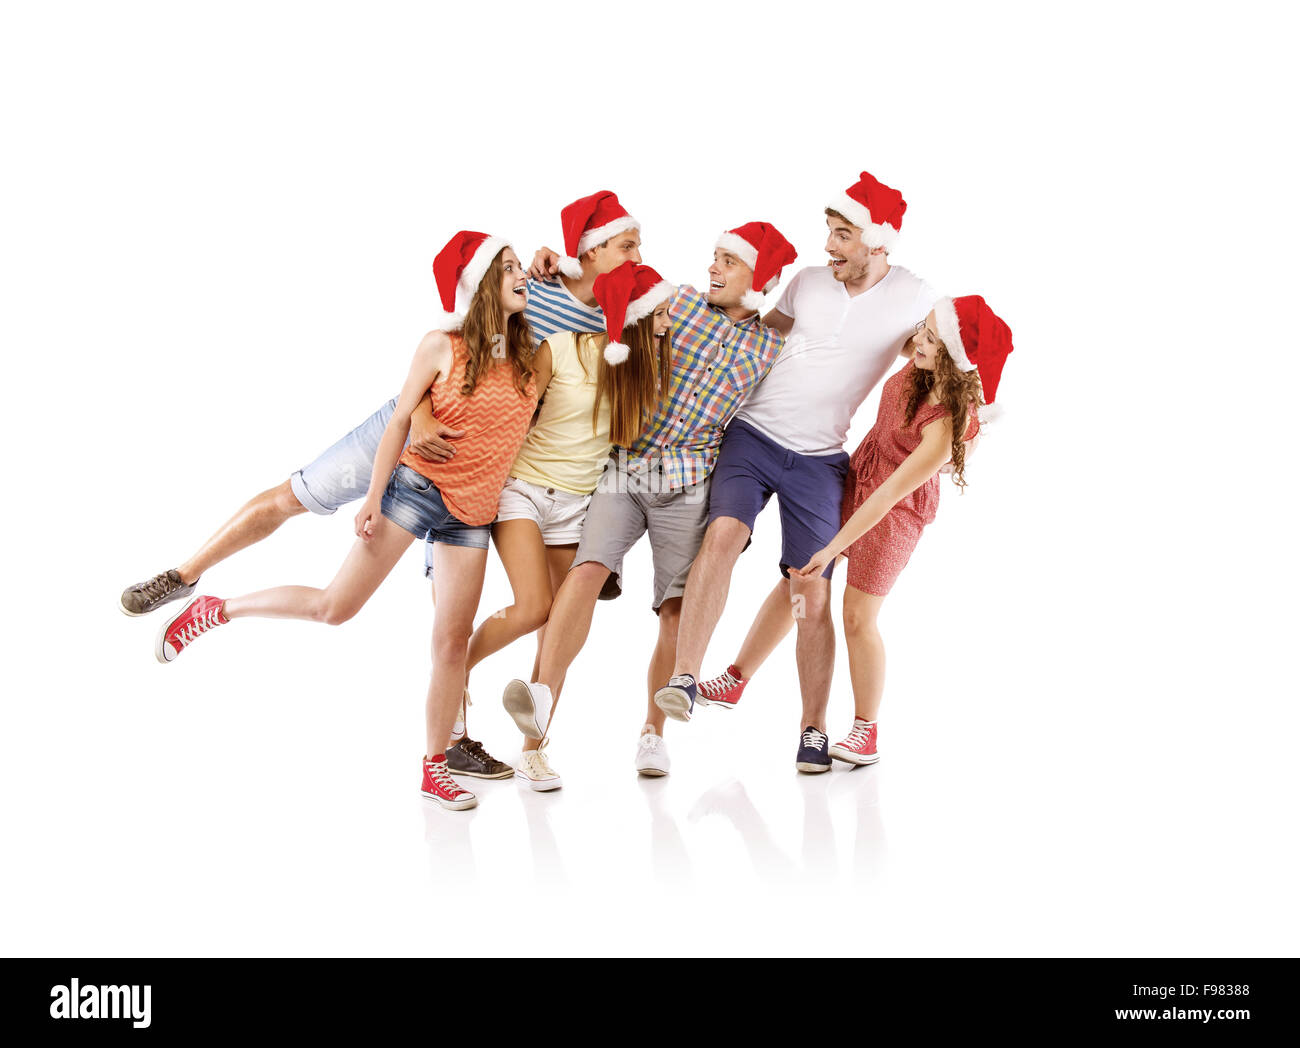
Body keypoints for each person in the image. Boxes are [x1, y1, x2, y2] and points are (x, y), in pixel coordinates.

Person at [121, 190, 642, 776]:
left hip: (471, 471)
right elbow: (461, 313)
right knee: (294, 502)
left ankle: (452, 744)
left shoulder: (613, 322)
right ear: (592, 250)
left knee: (449, 625)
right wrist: (417, 415)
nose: (639, 255)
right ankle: (185, 575)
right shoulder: (533, 279)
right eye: (628, 245)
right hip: (417, 422)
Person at [153, 231, 541, 811]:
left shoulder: (535, 358)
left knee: (451, 643)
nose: (521, 275)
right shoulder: (442, 345)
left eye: (521, 267)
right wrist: (372, 498)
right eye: (508, 267)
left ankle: (435, 765)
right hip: (413, 490)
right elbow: (398, 421)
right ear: (484, 283)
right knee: (335, 608)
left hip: (474, 515)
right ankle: (216, 609)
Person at [653, 172, 938, 775]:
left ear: (878, 243)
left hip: (821, 458)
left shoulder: (914, 294)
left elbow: (952, 347)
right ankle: (685, 678)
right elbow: (750, 334)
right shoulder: (806, 283)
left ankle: (813, 730)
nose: (829, 247)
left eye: (842, 235)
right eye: (828, 234)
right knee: (724, 535)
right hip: (751, 437)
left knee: (810, 586)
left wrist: (972, 408)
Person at [501, 223, 797, 779]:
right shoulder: (676, 302)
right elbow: (604, 282)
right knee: (584, 572)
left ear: (762, 279)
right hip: (623, 468)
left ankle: (652, 734)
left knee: (674, 610)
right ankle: (540, 700)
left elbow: (836, 355)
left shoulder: (773, 345)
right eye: (714, 257)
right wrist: (555, 260)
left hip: (688, 484)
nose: (713, 268)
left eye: (729, 262)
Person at [472, 261, 674, 791]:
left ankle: (533, 751)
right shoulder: (559, 346)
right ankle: (458, 667)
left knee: (554, 629)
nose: (668, 321)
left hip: (576, 505)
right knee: (534, 606)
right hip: (523, 490)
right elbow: (513, 409)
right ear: (632, 315)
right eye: (660, 312)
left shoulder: (643, 371)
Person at [790, 295, 1013, 767]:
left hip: (894, 512)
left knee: (857, 617)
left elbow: (889, 496)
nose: (918, 340)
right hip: (859, 471)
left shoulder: (948, 424)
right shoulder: (922, 365)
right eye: (923, 328)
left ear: (953, 356)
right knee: (800, 578)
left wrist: (833, 547)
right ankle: (737, 674)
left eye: (931, 338)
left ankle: (865, 731)